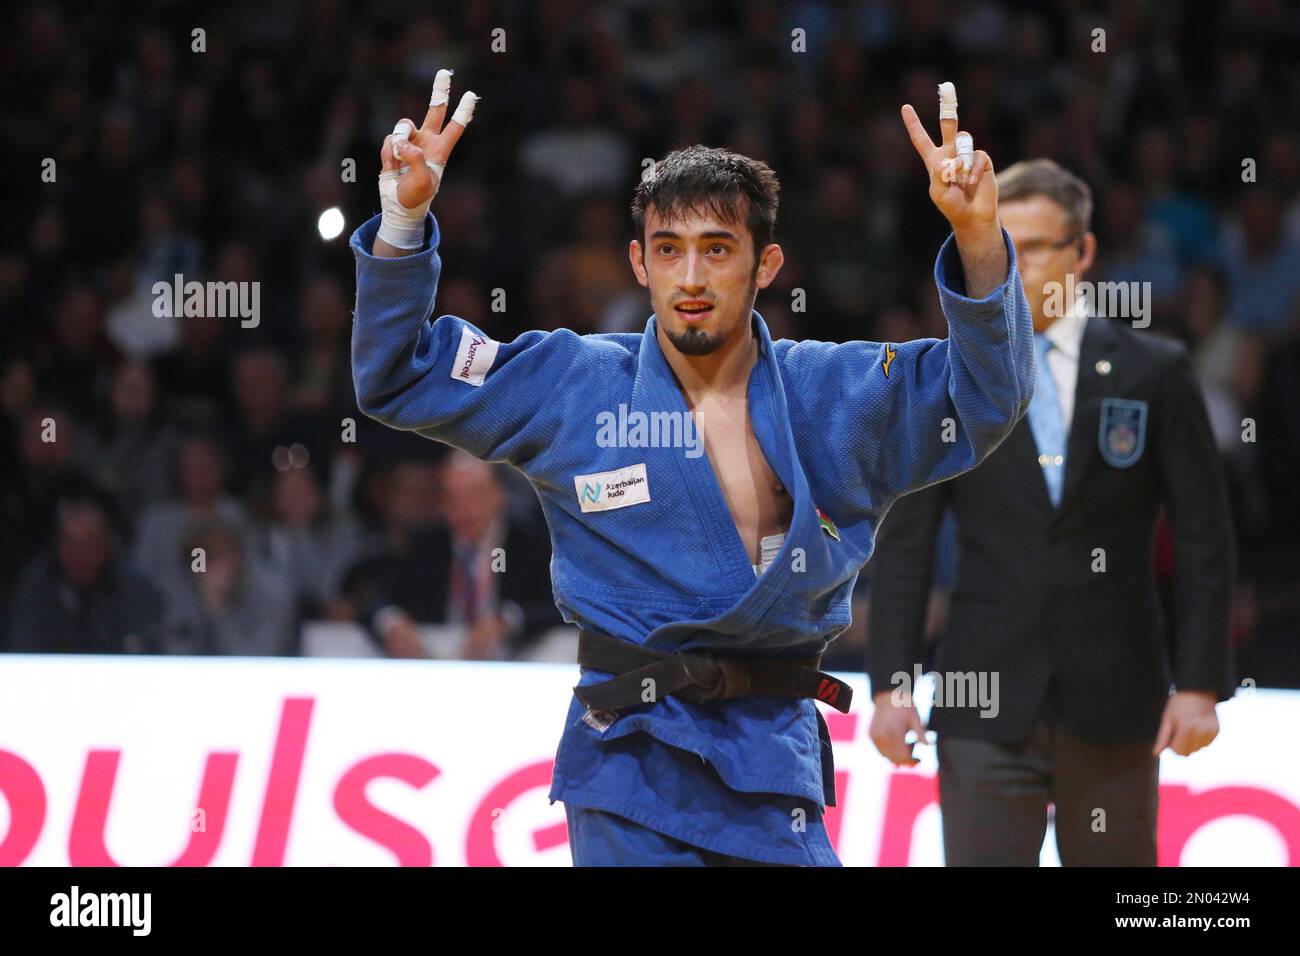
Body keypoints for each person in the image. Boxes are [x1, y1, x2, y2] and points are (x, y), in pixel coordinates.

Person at [351, 70, 1033, 866]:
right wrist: (403, 221)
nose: (693, 278)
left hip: (773, 764)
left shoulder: (833, 394)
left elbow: (985, 398)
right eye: (668, 251)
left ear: (766, 265)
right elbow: (397, 373)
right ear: (638, 264)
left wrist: (980, 241)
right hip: (630, 770)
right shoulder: (572, 384)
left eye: (718, 250)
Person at [867, 159, 1236, 866]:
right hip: (983, 692)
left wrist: (1199, 683)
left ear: (1084, 253)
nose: (1018, 264)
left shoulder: (1154, 370)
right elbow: (909, 539)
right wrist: (891, 684)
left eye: (1036, 247)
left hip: (1118, 693)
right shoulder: (954, 372)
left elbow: (1203, 539)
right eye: (1005, 244)